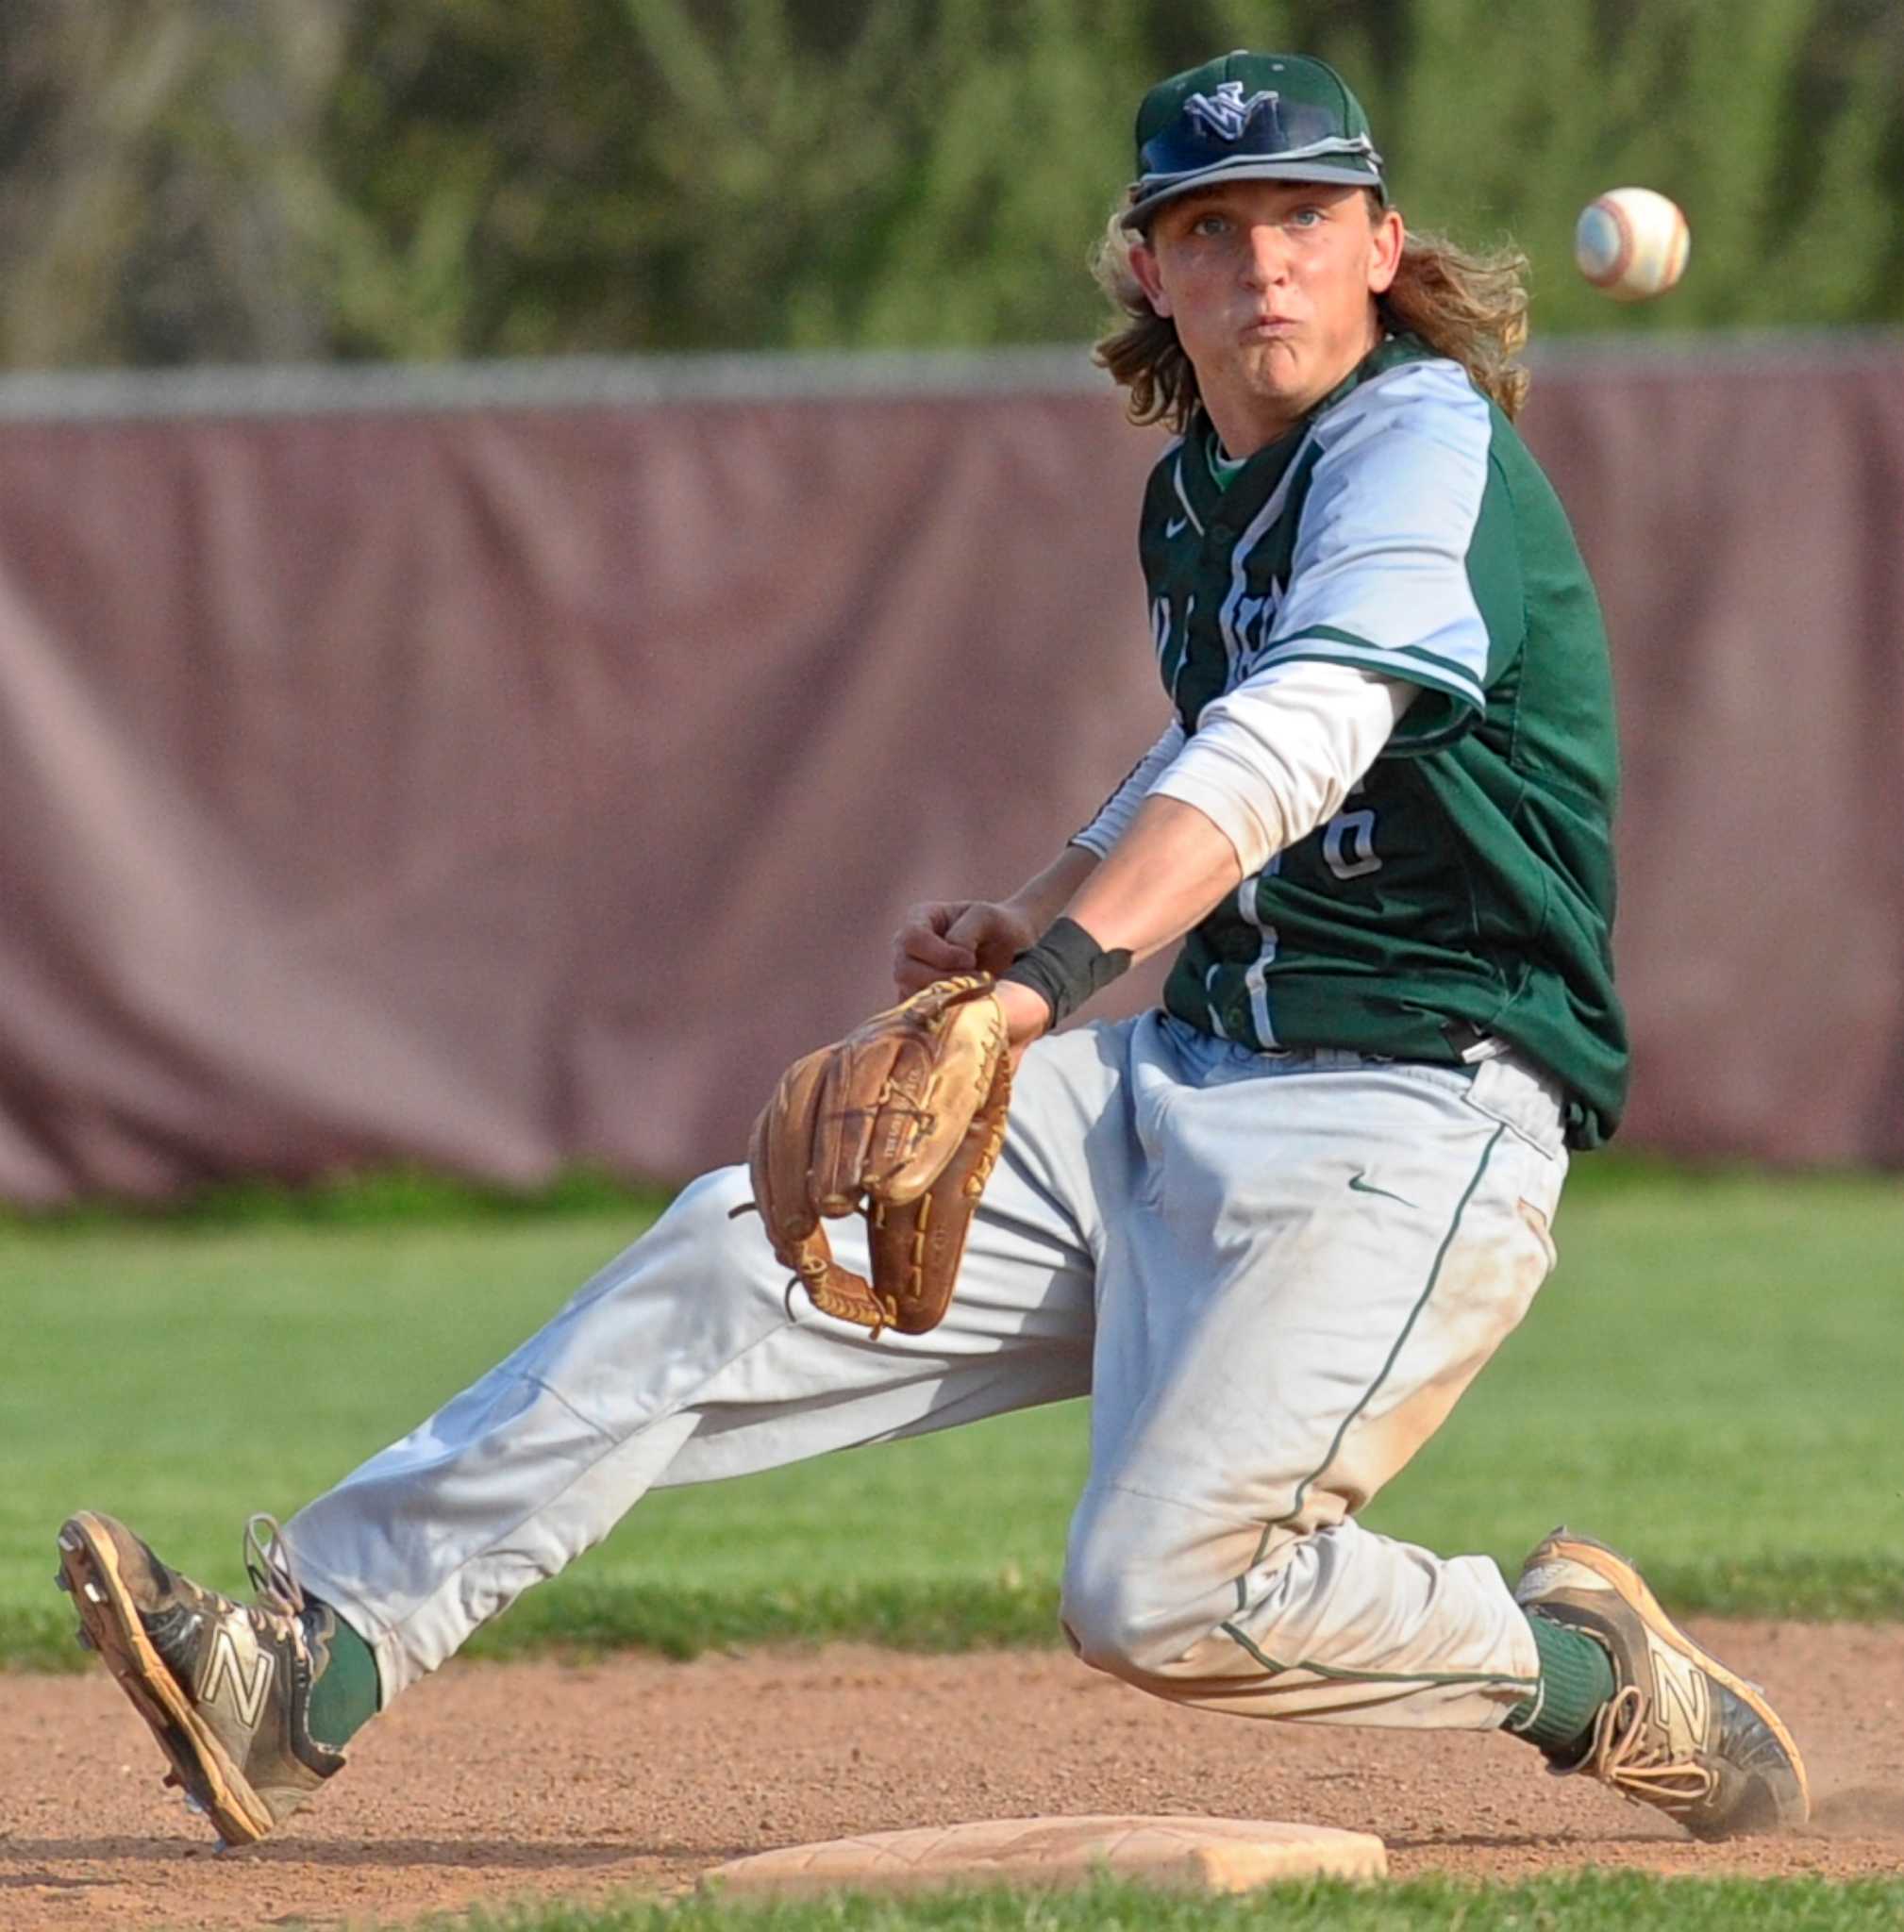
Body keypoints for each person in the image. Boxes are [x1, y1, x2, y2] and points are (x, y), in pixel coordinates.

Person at [58, 49, 1807, 1849]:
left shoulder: (1420, 446)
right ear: (1149, 271)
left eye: (1302, 216)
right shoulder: (1202, 492)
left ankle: (1587, 1674)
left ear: (1380, 244)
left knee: (1160, 1598)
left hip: (1414, 1113)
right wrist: (1043, 906)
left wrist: (1054, 980)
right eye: (1210, 228)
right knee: (744, 1242)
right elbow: (1191, 744)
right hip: (1186, 1074)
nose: (1261, 264)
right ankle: (313, 1660)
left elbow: (1304, 727)